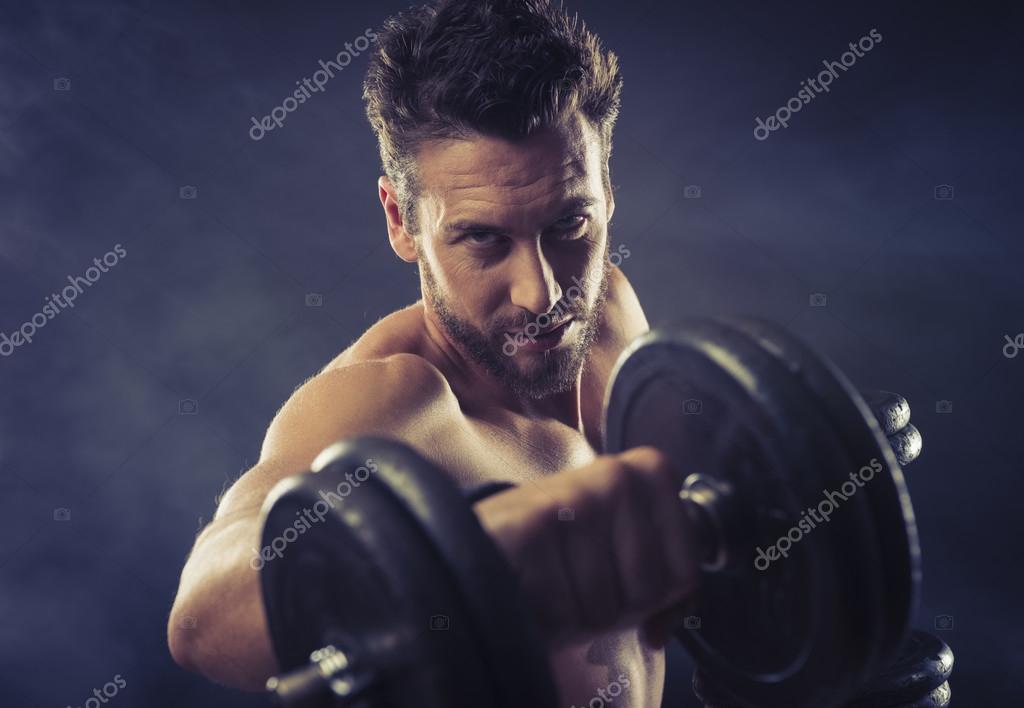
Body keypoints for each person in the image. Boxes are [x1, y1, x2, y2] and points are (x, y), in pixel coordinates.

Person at [167, 1, 700, 705]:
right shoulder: (394, 401)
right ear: (401, 220)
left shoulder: (609, 314)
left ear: (606, 191)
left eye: (570, 220)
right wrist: (475, 560)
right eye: (483, 238)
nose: (542, 292)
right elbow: (203, 618)